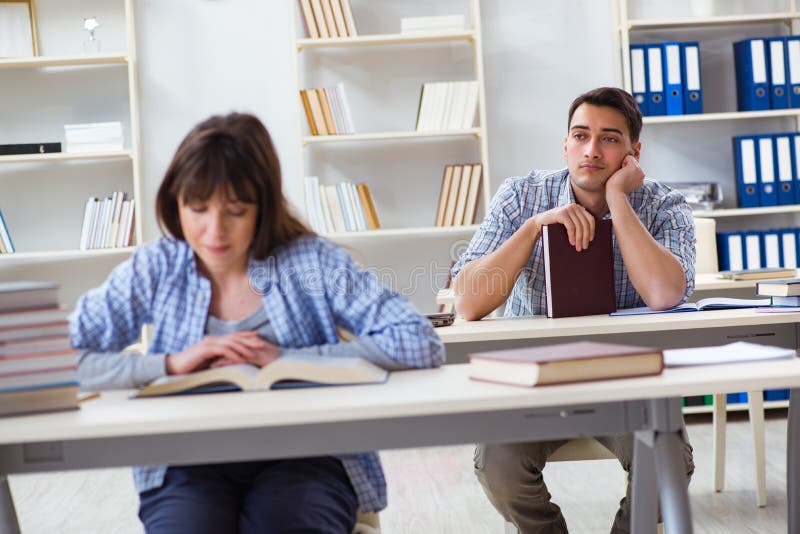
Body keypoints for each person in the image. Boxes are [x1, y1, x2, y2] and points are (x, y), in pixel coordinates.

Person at [70, 112, 445, 534]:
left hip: (307, 459)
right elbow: (51, 356)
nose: (214, 231)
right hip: (188, 464)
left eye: (235, 210)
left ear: (262, 208)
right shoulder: (156, 267)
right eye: (197, 208)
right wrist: (169, 365)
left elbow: (419, 341)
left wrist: (289, 359)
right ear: (175, 202)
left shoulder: (311, 262)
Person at [451, 87, 695, 533]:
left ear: (633, 153)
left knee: (668, 463)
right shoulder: (521, 196)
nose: (591, 151)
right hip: (533, 379)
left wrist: (619, 201)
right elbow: (466, 302)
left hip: (626, 377)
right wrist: (531, 229)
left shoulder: (664, 205)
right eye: (580, 136)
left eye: (609, 139)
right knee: (498, 467)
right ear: (565, 143)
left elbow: (664, 295)